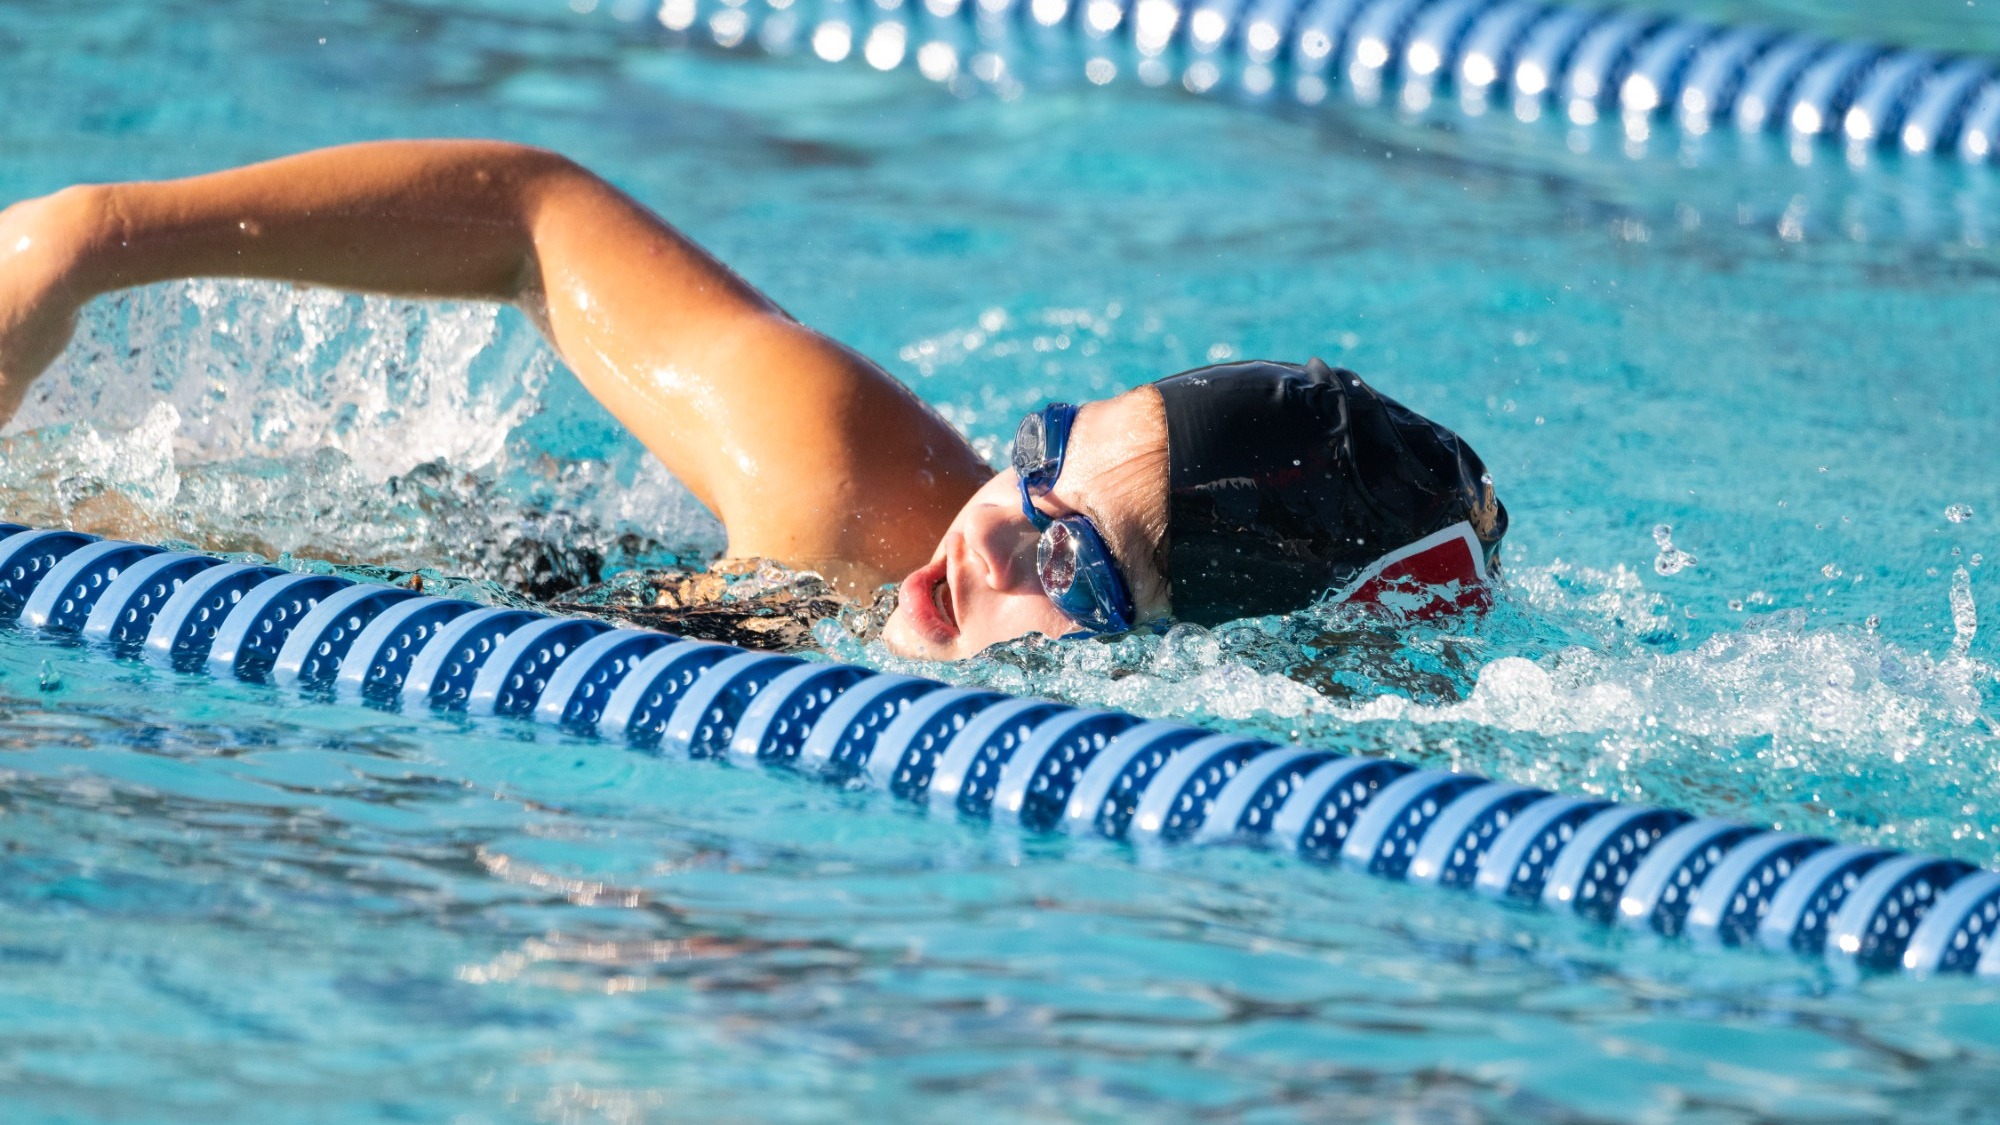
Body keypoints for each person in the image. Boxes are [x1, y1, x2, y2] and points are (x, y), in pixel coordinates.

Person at [0, 140, 1507, 661]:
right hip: (477, 567)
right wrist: (95, 237)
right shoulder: (854, 491)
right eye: (1041, 461)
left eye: (1073, 564)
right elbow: (534, 219)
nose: (992, 528)